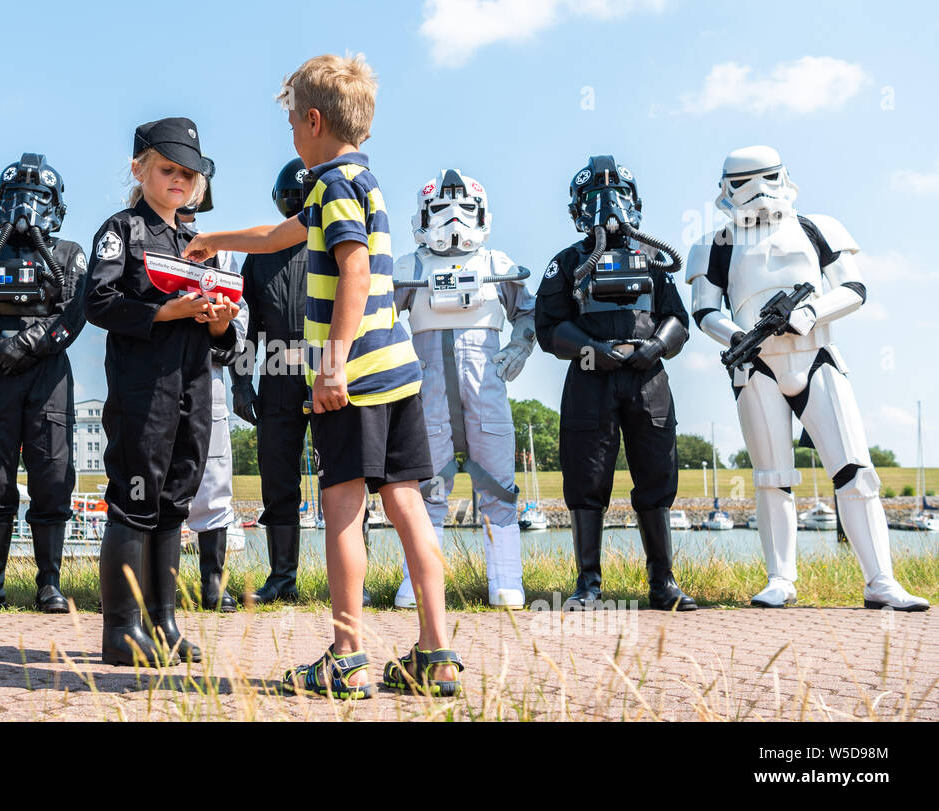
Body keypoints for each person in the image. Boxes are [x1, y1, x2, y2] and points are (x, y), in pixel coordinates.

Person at [187, 54, 464, 698]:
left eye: (290, 120)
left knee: (341, 512)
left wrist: (331, 366)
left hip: (355, 377)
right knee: (408, 507)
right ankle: (437, 652)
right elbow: (279, 234)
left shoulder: (332, 186)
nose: (288, 131)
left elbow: (356, 271)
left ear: (313, 120)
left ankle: (347, 658)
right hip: (398, 372)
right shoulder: (358, 180)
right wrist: (212, 240)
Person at [687, 145, 928, 611]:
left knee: (856, 469)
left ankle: (881, 580)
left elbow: (853, 288)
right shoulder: (715, 244)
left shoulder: (816, 227)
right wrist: (740, 335)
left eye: (767, 178)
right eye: (744, 183)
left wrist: (811, 311)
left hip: (816, 353)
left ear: (783, 176)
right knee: (772, 478)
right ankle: (781, 579)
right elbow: (704, 309)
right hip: (755, 365)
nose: (757, 192)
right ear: (726, 189)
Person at [86, 117, 238, 666]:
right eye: (168, 169)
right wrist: (163, 311)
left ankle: (163, 622)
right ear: (140, 168)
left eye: (188, 174)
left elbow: (227, 336)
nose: (179, 180)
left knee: (176, 501)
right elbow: (97, 302)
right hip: (141, 388)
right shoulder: (120, 230)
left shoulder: (200, 243)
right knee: (135, 499)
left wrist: (221, 322)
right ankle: (122, 630)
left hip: (194, 385)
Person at [535, 155, 695, 612]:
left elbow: (678, 320)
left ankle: (662, 584)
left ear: (635, 202)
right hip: (590, 379)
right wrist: (592, 349)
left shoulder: (653, 259)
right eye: (594, 195)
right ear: (576, 208)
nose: (609, 204)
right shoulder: (567, 263)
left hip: (648, 380)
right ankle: (589, 585)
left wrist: (658, 346)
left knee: (657, 476)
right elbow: (549, 327)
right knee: (586, 479)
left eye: (619, 193)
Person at [0, 153, 88, 614]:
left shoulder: (68, 253)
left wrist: (25, 343)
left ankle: (49, 582)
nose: (24, 207)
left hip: (47, 376)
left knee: (52, 475)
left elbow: (75, 313)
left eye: (37, 198)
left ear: (56, 206)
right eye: (15, 197)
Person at [393, 169, 536, 609]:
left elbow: (528, 313)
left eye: (464, 210)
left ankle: (506, 579)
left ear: (481, 215)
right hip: (425, 382)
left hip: (486, 381)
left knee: (496, 483)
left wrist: (519, 348)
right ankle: (420, 583)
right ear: (423, 216)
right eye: (440, 210)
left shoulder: (498, 264)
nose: (452, 220)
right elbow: (377, 315)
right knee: (425, 485)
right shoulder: (408, 266)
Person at [228, 159, 311, 606]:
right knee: (277, 476)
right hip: (277, 377)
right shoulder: (259, 255)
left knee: (342, 478)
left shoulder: (335, 245)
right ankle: (283, 578)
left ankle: (348, 579)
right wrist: (241, 383)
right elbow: (244, 325)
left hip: (330, 371)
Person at [177, 163, 249, 613]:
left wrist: (222, 328)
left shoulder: (222, 251)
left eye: (191, 178)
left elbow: (239, 321)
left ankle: (212, 587)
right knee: (149, 479)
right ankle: (149, 589)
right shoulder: (132, 234)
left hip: (209, 377)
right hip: (154, 376)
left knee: (214, 477)